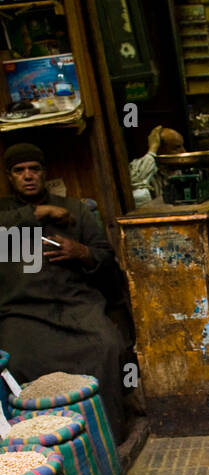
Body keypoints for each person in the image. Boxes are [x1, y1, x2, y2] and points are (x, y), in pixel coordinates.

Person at [0, 142, 128, 442]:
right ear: (9, 176)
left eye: (34, 169)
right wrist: (39, 213)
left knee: (106, 344)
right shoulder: (4, 212)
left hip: (76, 306)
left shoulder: (75, 209)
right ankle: (38, 441)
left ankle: (105, 437)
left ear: (44, 173)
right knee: (15, 360)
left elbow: (105, 256)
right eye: (19, 170)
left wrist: (81, 252)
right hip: (22, 312)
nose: (28, 176)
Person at [128, 125, 185, 204]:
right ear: (159, 150)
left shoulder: (179, 170)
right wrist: (153, 148)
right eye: (176, 148)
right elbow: (136, 181)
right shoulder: (142, 167)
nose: (183, 152)